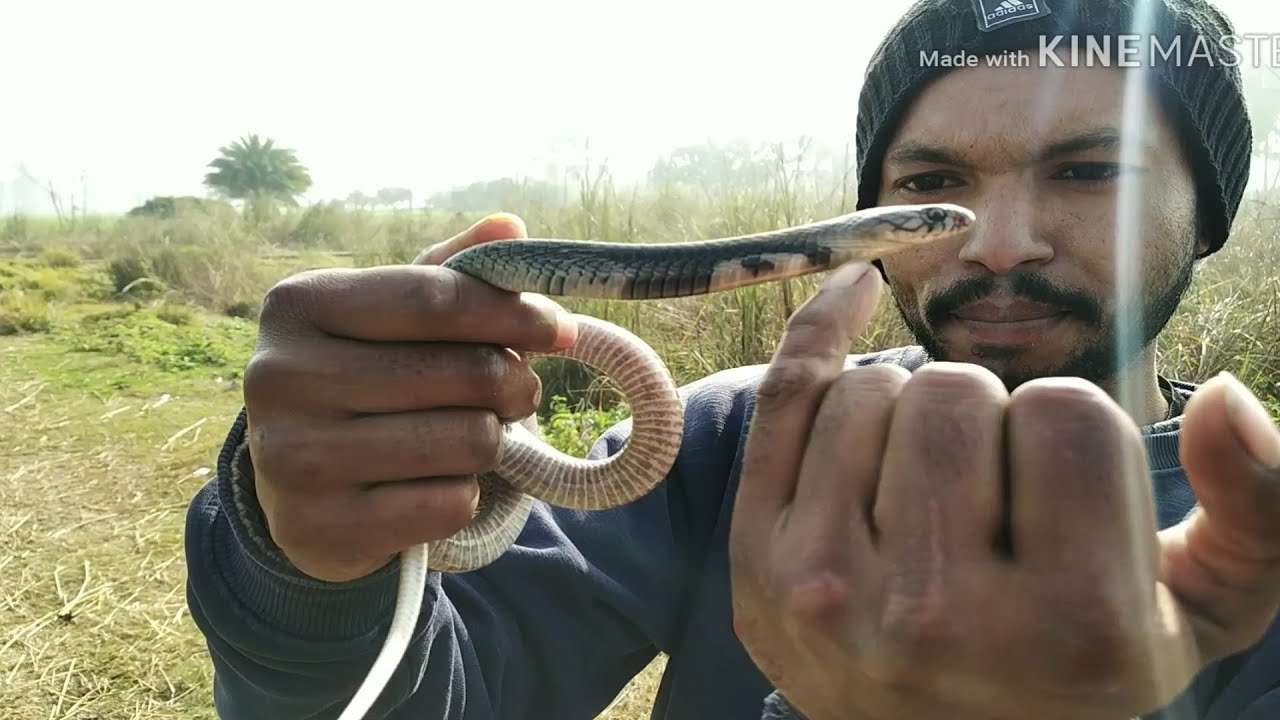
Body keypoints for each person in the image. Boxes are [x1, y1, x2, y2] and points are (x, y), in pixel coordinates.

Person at [183, 0, 1280, 718]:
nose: (994, 242)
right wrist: (308, 559)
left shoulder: (1254, 519)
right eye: (927, 188)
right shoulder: (727, 439)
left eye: (1089, 172)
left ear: (1208, 214)